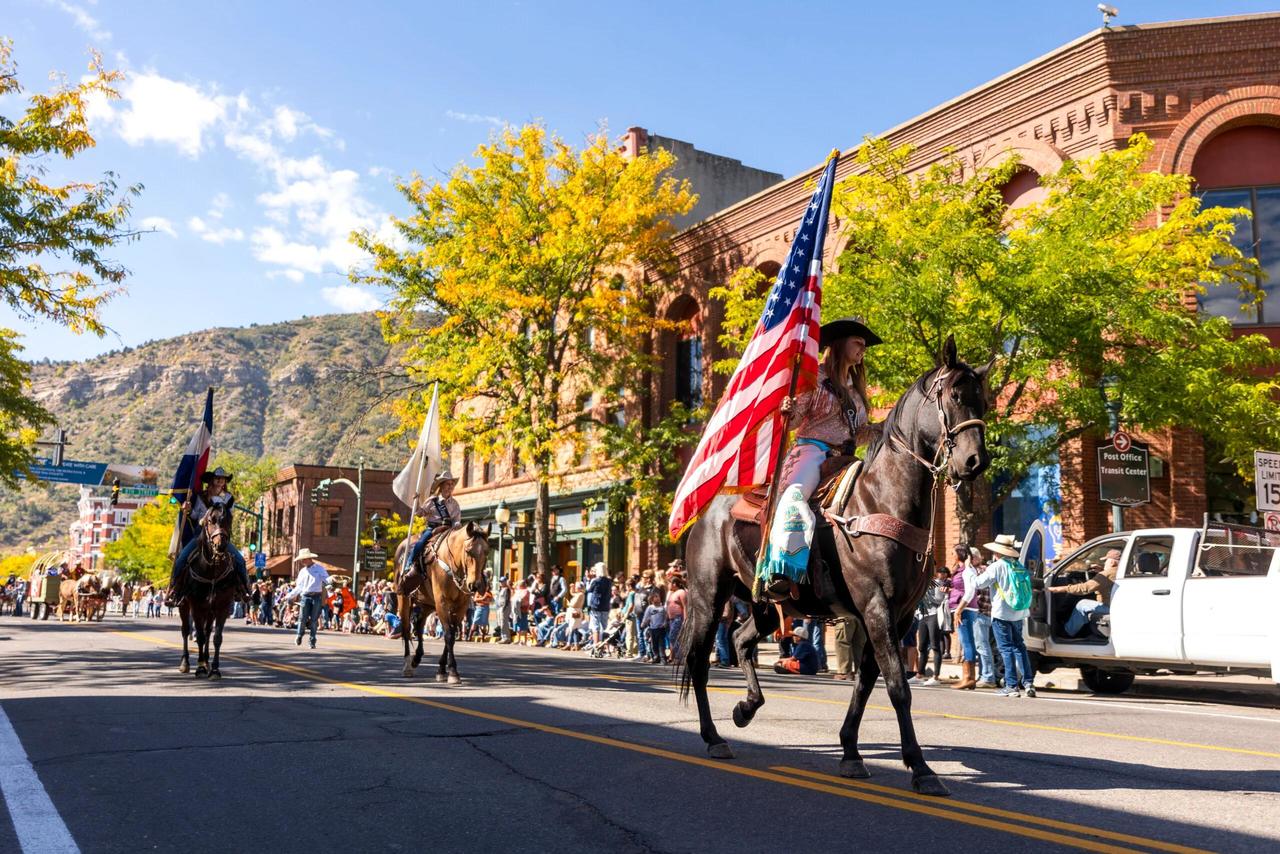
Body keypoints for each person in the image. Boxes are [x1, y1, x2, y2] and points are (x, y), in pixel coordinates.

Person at [759, 317, 881, 599]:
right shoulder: (814, 378)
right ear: (840, 344)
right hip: (811, 451)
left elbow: (859, 432)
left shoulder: (855, 389)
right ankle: (782, 569)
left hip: (846, 458)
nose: (863, 349)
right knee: (795, 496)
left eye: (865, 345)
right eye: (858, 342)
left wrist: (882, 428)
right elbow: (794, 422)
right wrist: (786, 410)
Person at [167, 467, 249, 604]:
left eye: (222, 479)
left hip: (220, 535)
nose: (220, 481)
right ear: (211, 480)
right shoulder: (201, 496)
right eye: (217, 478)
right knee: (181, 559)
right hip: (200, 535)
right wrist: (187, 510)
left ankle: (244, 590)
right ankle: (174, 590)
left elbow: (230, 516)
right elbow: (194, 515)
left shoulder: (229, 499)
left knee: (240, 561)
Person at [974, 534, 1036, 697]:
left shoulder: (997, 566)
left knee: (1006, 649)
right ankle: (1028, 683)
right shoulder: (1018, 565)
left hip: (1001, 613)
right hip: (1019, 612)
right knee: (1020, 647)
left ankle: (1011, 685)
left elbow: (978, 584)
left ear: (997, 552)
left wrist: (972, 572)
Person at [1050, 548, 1121, 638]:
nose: (1105, 563)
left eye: (1106, 561)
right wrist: (1102, 570)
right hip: (1115, 607)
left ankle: (1066, 633)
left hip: (1109, 608)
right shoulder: (1118, 572)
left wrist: (1058, 589)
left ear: (1112, 563)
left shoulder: (1106, 574)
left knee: (1082, 604)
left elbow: (1085, 588)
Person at [407, 470, 461, 569]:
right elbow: (420, 514)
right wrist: (416, 502)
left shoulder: (455, 504)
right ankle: (409, 563)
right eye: (448, 484)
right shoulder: (432, 501)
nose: (450, 486)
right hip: (432, 530)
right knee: (420, 543)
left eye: (452, 484)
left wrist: (457, 525)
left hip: (449, 530)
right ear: (441, 486)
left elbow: (456, 519)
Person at [282, 548, 331, 649]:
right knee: (302, 618)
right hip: (305, 596)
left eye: (303, 559)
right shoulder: (302, 572)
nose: (302, 561)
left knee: (314, 620)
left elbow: (327, 580)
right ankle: (299, 635)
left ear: (309, 558)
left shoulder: (320, 569)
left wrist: (331, 580)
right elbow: (299, 587)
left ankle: (312, 641)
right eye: (301, 559)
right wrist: (287, 596)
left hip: (317, 596)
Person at [916, 566, 948, 686]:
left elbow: (939, 600)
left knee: (935, 646)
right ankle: (920, 674)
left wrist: (925, 594)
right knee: (922, 646)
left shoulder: (937, 583)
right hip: (922, 616)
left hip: (934, 615)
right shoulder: (922, 582)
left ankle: (936, 676)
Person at [586, 563, 613, 647]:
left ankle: (596, 645)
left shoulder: (596, 580)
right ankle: (605, 646)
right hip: (605, 606)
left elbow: (589, 590)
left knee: (595, 626)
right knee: (605, 627)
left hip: (596, 605)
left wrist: (588, 580)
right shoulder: (609, 581)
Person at [640, 590, 669, 664]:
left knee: (661, 644)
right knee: (654, 644)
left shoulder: (663, 608)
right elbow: (646, 616)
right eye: (655, 597)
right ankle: (656, 656)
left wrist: (665, 623)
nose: (657, 598)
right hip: (652, 629)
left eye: (658, 597)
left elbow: (666, 616)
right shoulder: (650, 608)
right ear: (652, 600)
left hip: (661, 628)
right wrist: (643, 623)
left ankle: (663, 658)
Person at [833, 617, 865, 681]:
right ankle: (862, 672)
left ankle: (844, 672)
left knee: (842, 642)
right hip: (861, 615)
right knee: (860, 644)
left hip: (845, 614)